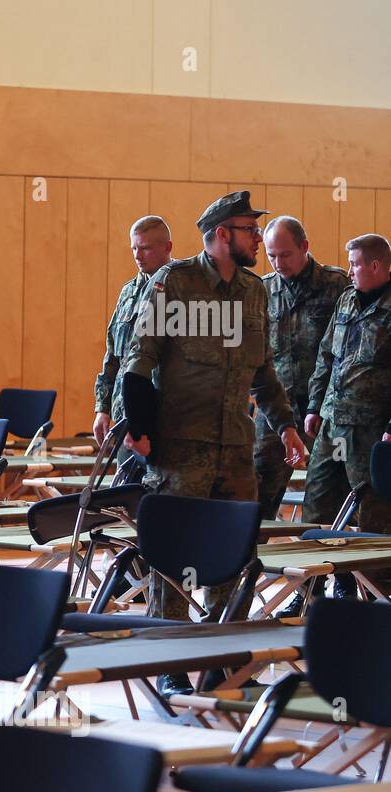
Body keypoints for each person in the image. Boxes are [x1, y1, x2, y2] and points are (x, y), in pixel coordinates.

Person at [121, 191, 308, 697]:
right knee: (173, 555)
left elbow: (262, 370)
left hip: (235, 449)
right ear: (224, 234)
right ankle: (171, 661)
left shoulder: (254, 291)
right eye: (250, 231)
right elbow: (139, 361)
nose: (257, 241)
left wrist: (286, 425)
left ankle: (221, 659)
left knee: (234, 554)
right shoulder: (175, 283)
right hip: (181, 447)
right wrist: (138, 429)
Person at [302, 233, 391, 598]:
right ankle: (312, 590)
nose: (350, 271)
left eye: (355, 264)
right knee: (317, 506)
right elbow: (327, 357)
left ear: (374, 265)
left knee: (372, 516)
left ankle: (375, 597)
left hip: (370, 431)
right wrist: (312, 406)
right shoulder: (346, 301)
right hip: (331, 424)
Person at [256, 217, 348, 526]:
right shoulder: (263, 289)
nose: (278, 262)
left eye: (285, 254)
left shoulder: (336, 285)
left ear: (304, 247)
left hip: (324, 410)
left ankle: (332, 572)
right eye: (271, 256)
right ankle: (247, 567)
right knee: (256, 495)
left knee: (327, 497)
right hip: (275, 410)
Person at [92, 216, 173, 445]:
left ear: (167, 247)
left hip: (161, 416)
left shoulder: (182, 289)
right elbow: (112, 354)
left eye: (145, 248)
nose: (137, 255)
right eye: (134, 248)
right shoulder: (129, 292)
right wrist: (103, 408)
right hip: (123, 414)